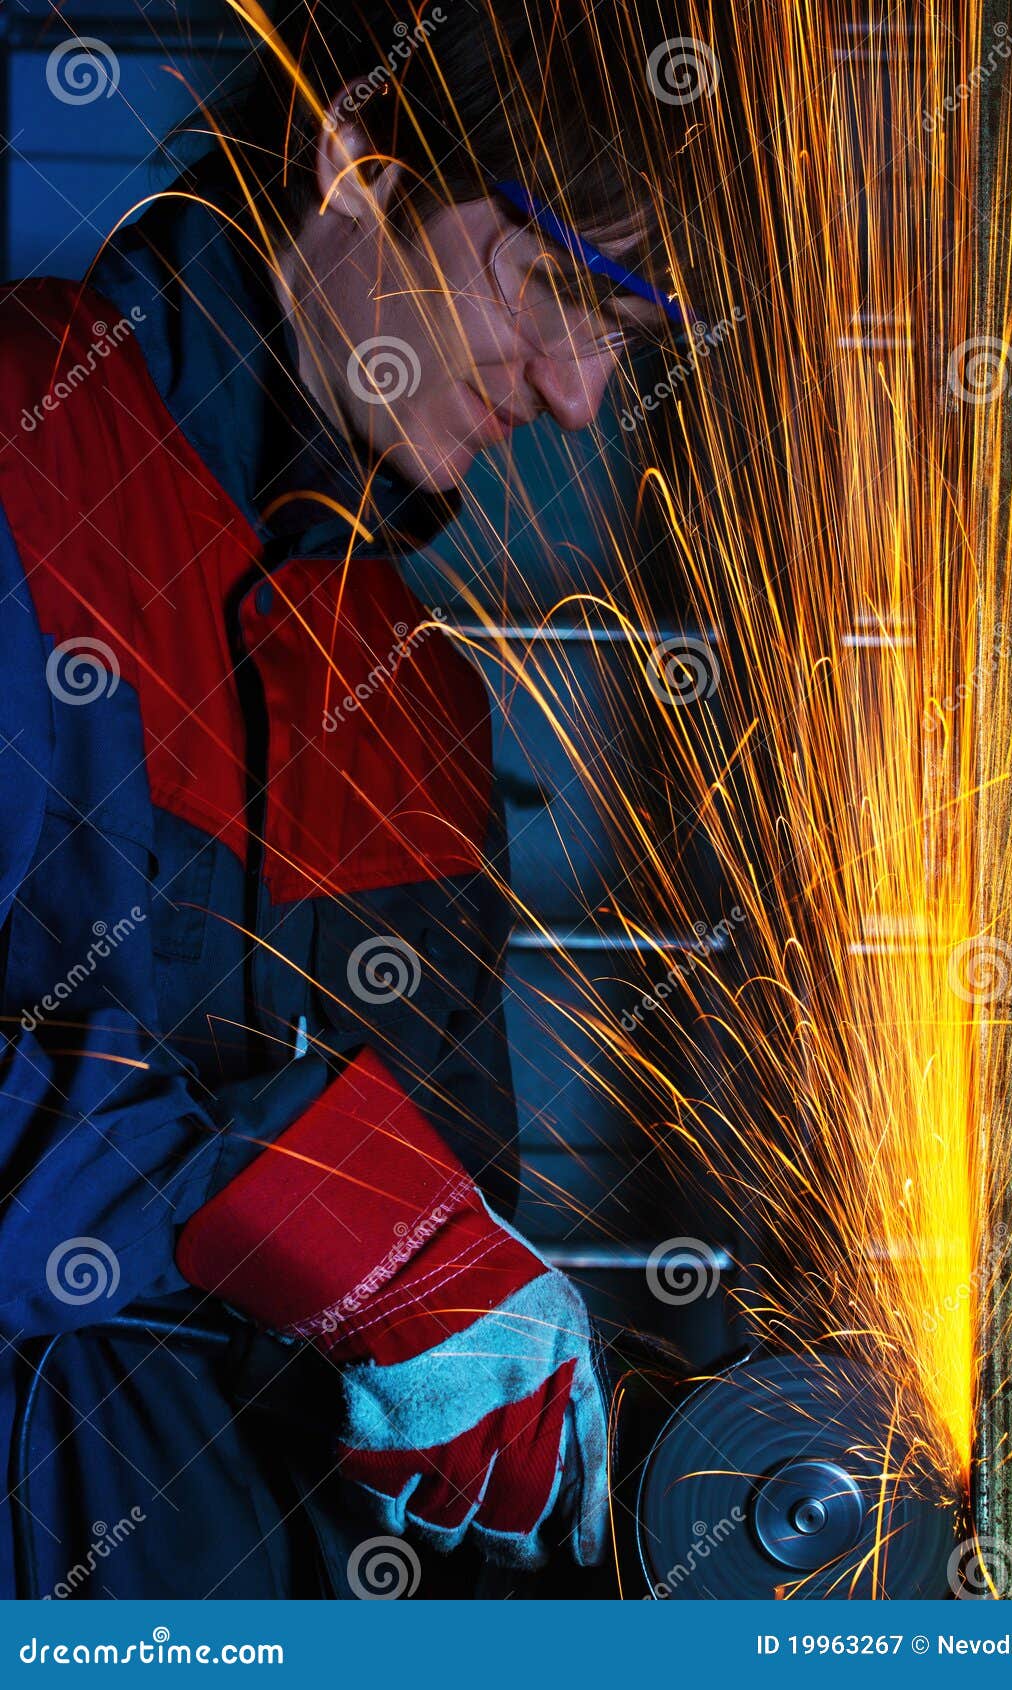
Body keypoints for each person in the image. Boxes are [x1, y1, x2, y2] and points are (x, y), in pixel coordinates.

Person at [0, 0, 696, 1598]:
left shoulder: (414, 688)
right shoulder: (25, 467)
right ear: (350, 163)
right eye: (556, 288)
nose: (580, 394)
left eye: (625, 339)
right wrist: (276, 1193)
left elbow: (442, 1319)